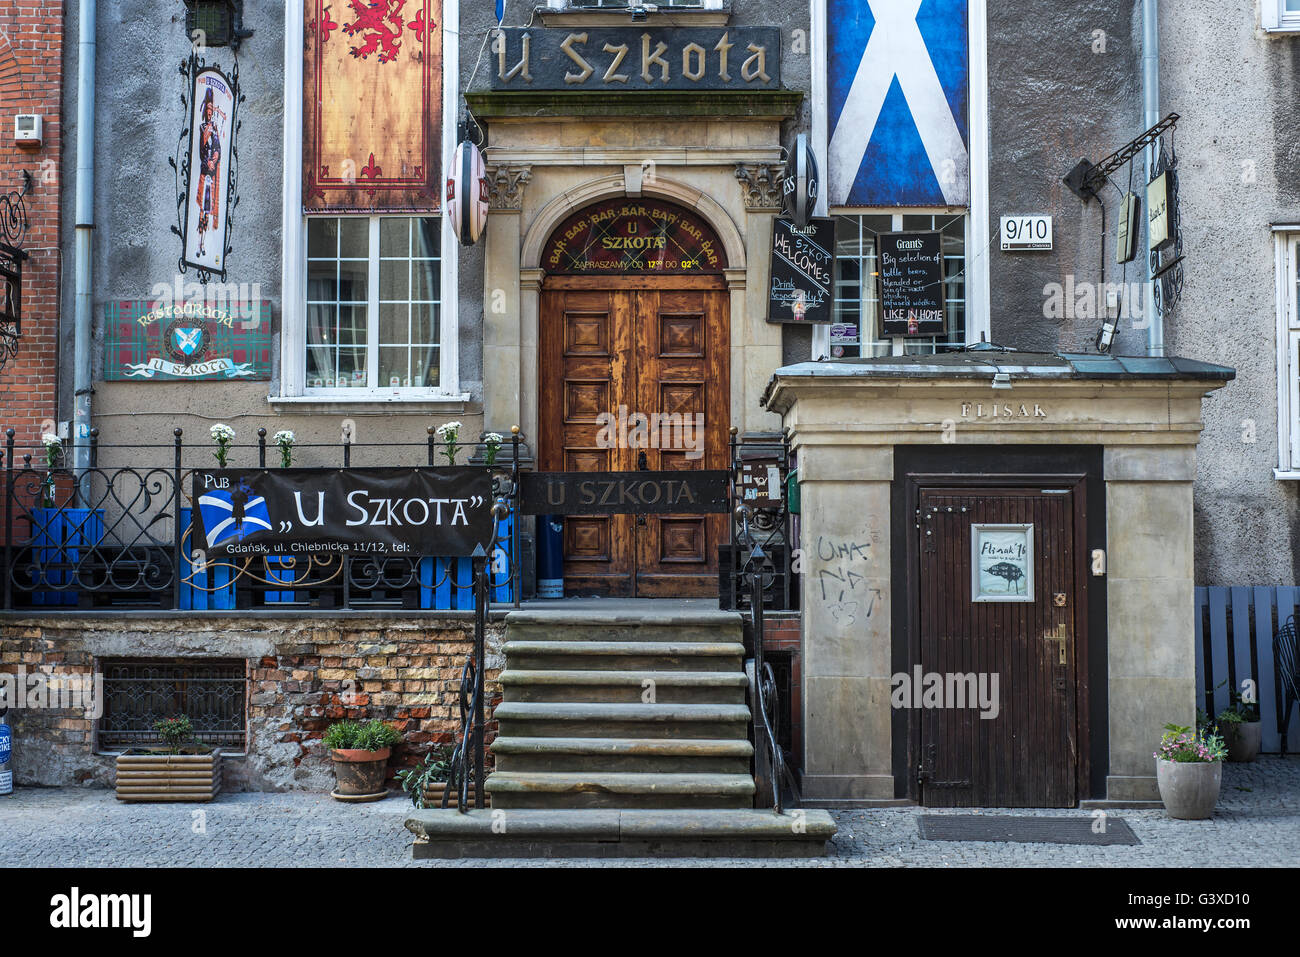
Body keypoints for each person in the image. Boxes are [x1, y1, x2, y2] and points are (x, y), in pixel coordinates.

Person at [195, 88, 221, 257]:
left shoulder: (215, 128)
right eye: (209, 110)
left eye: (212, 110)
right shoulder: (203, 127)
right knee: (203, 210)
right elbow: (201, 150)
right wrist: (209, 162)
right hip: (206, 173)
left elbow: (218, 148)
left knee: (209, 208)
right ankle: (200, 243)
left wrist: (215, 158)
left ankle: (207, 246)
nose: (210, 113)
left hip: (212, 176)